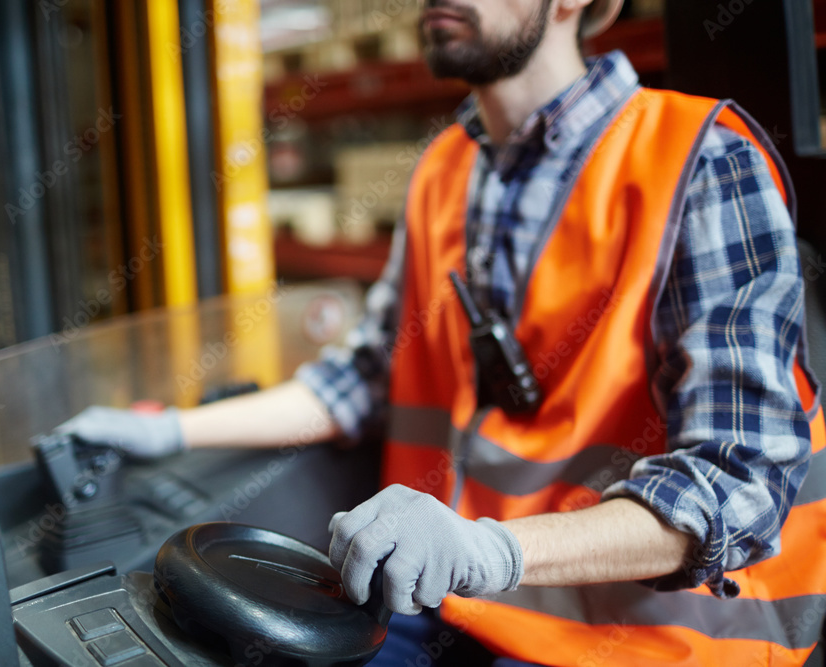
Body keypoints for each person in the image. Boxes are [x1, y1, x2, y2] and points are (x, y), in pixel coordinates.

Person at [61, 0, 826, 664]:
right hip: (455, 605)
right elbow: (362, 377)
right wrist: (168, 432)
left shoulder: (702, 161)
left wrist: (489, 549)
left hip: (641, 638)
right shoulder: (444, 170)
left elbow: (736, 483)